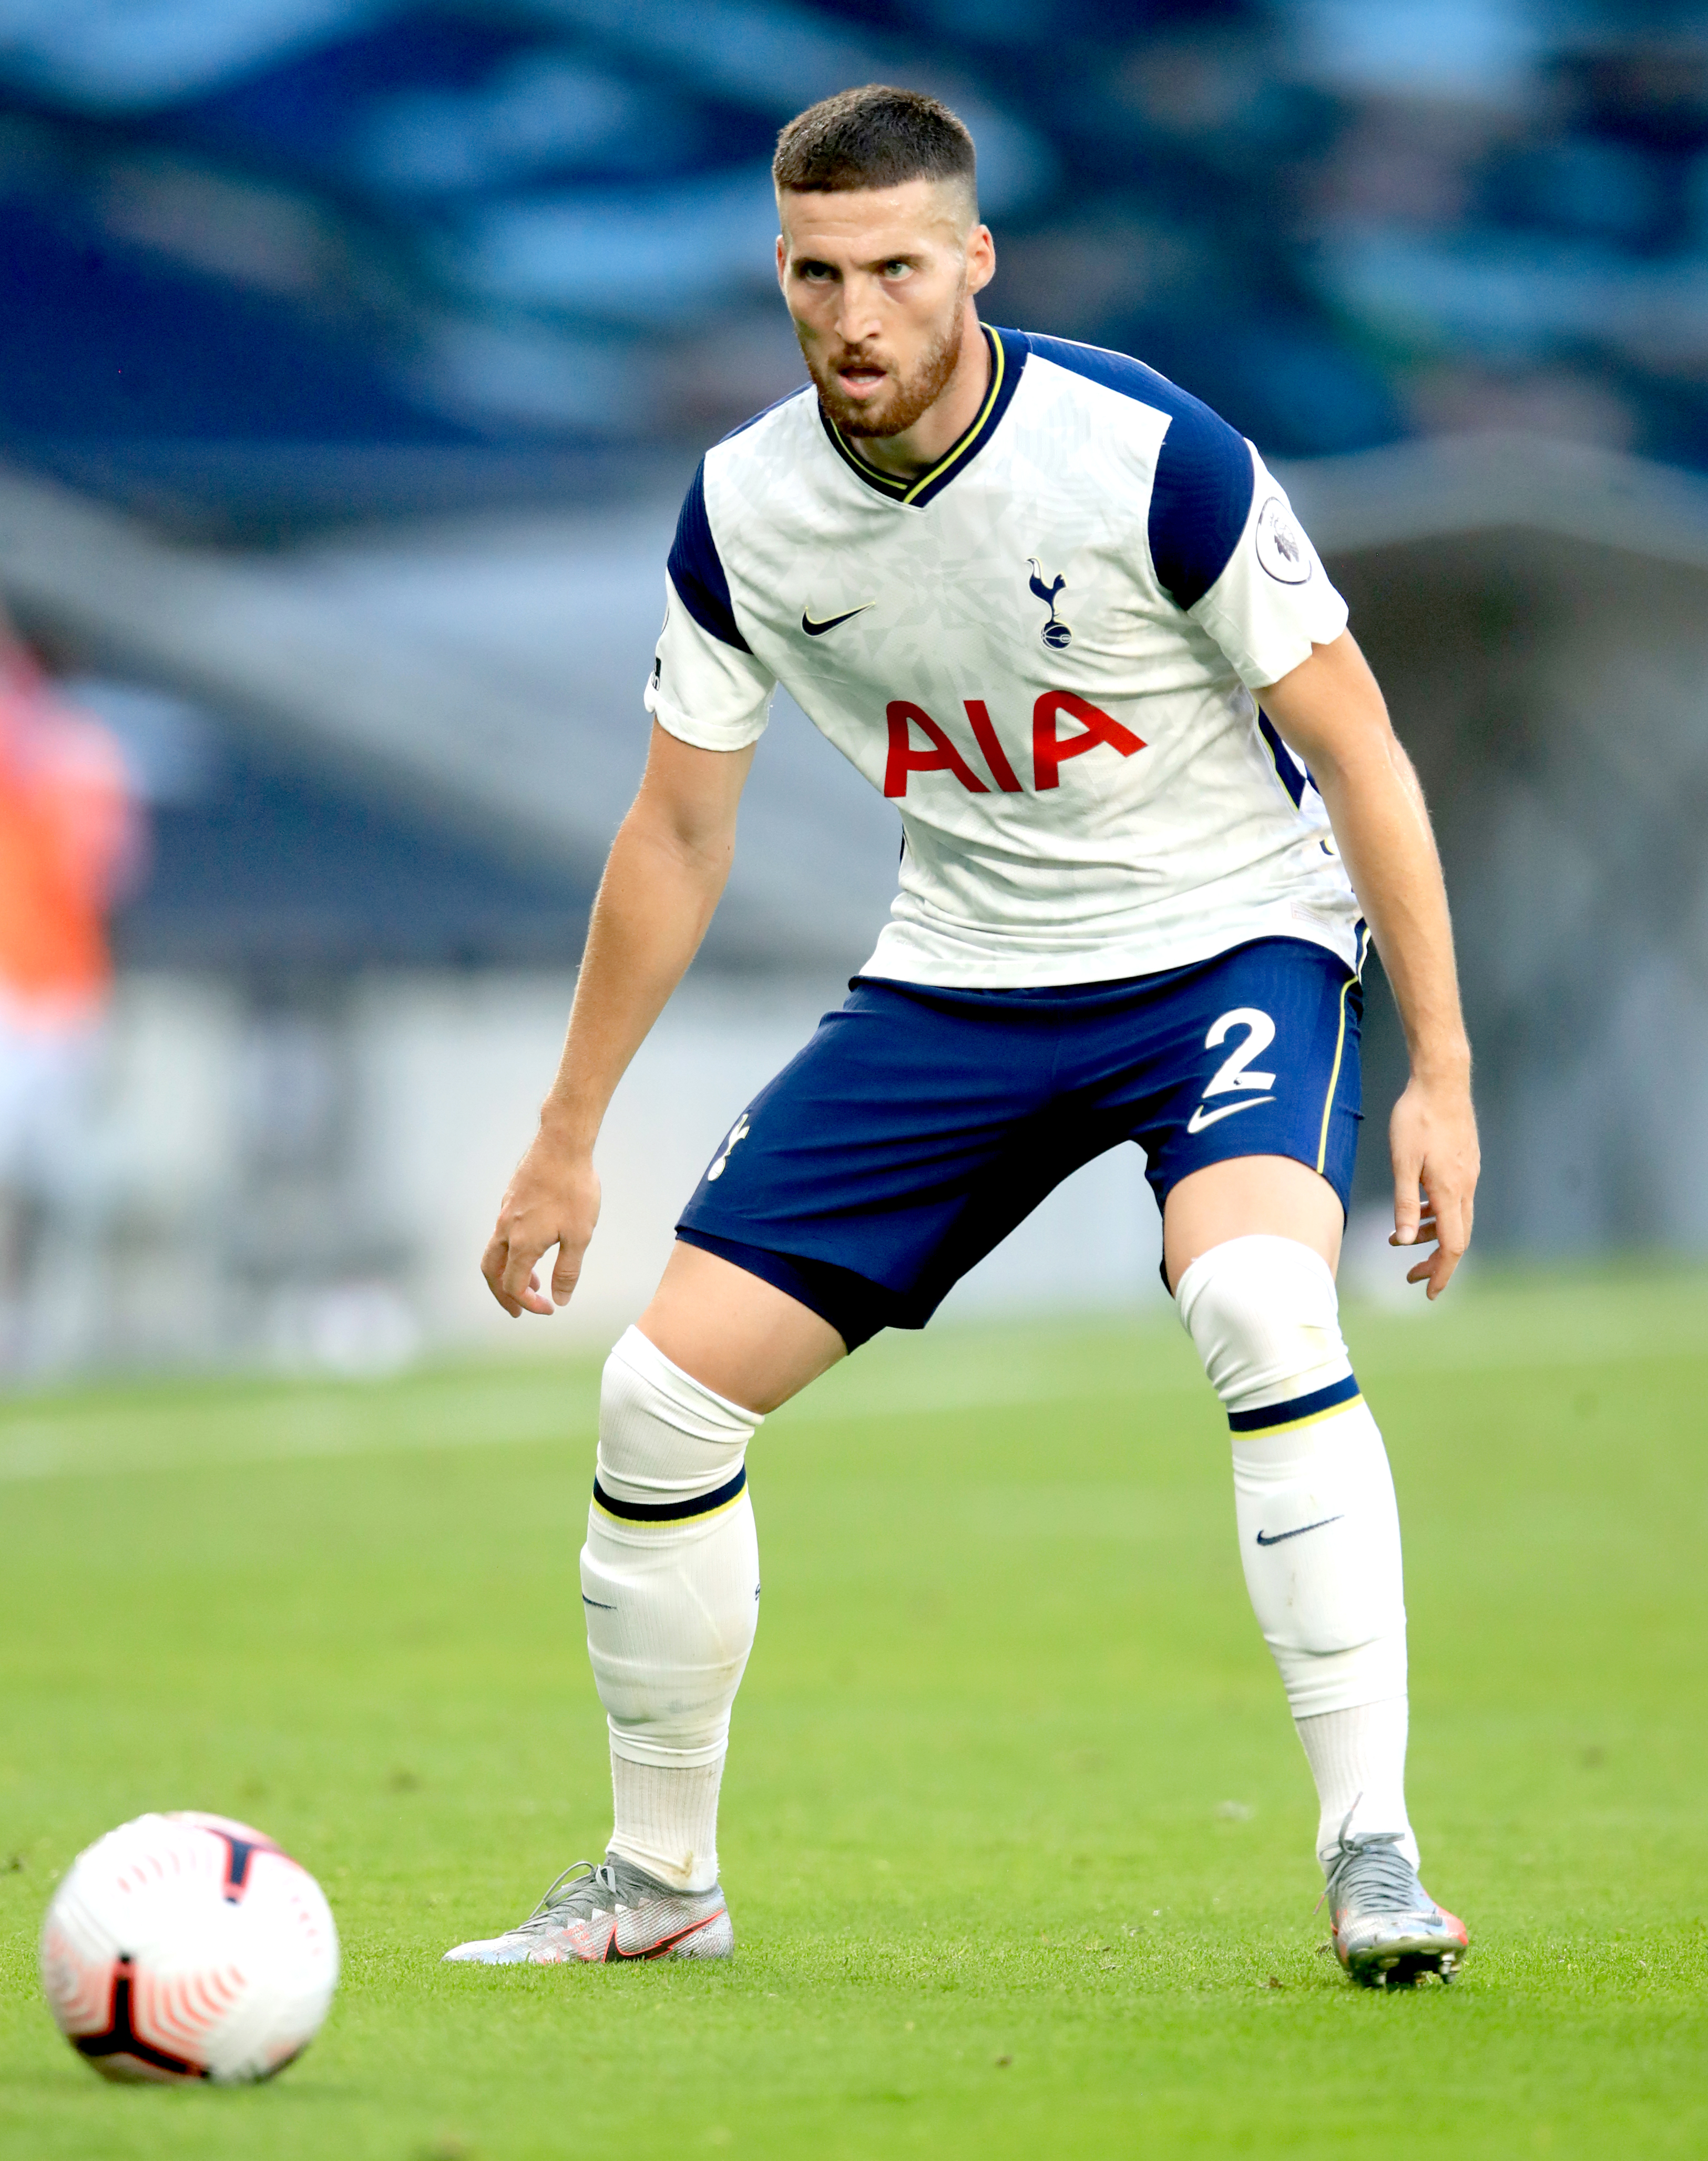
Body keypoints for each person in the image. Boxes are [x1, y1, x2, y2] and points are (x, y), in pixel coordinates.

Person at [446, 87, 1478, 1986]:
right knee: (658, 1402)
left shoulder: (1149, 455)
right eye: (817, 275)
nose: (855, 315)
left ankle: (1370, 1849)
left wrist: (1438, 1070)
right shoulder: (745, 510)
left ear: (973, 262)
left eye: (896, 270)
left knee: (1260, 1305)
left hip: (1219, 949)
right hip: (963, 973)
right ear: (779, 271)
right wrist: (565, 1129)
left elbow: (1357, 745)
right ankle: (659, 1881)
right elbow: (675, 829)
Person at [0, 568, 140, 1385]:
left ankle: (15, 1340)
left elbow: (96, 867)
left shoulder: (47, 732)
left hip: (53, 980)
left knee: (34, 1176)